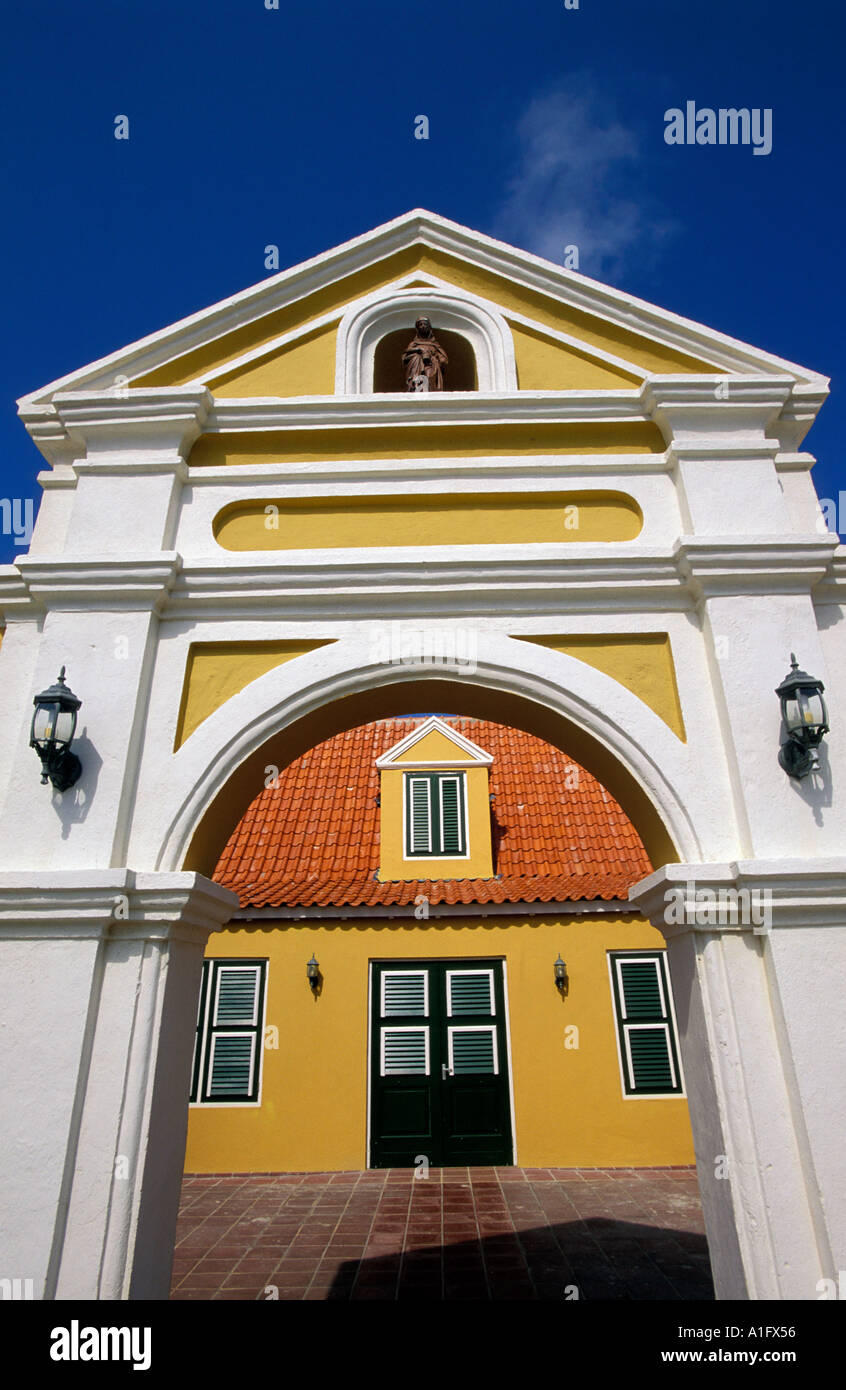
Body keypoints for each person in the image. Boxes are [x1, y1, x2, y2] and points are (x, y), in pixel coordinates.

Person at [402, 317, 448, 391]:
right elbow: (405, 357)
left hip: (431, 366)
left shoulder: (435, 345)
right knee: (416, 358)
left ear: (429, 327)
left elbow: (443, 359)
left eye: (425, 324)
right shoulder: (414, 344)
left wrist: (435, 357)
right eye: (420, 324)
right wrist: (418, 351)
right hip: (417, 366)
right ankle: (415, 386)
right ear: (418, 328)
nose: (423, 326)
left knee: (429, 378)